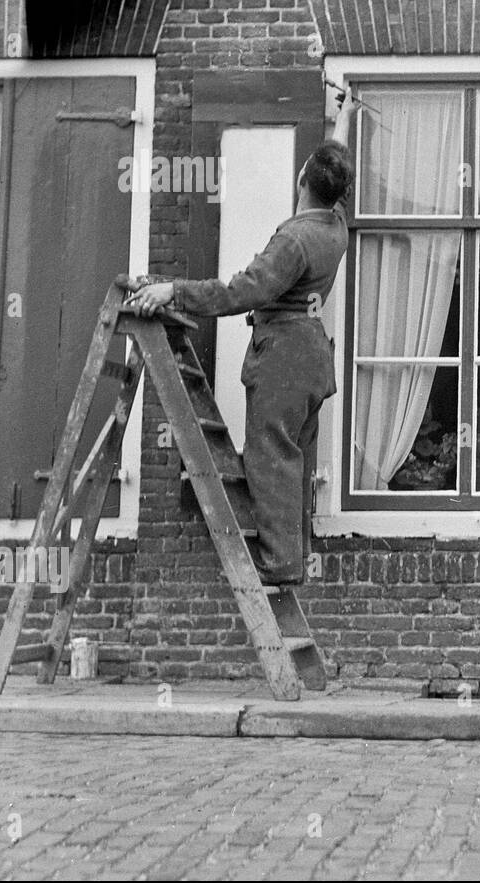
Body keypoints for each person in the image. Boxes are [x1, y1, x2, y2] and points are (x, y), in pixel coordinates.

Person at [126, 142, 354, 586]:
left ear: (301, 179)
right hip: (313, 354)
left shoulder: (294, 241)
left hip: (283, 356)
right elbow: (334, 175)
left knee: (270, 458)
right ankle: (295, 554)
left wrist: (175, 290)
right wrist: (340, 126)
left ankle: (279, 563)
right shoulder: (335, 225)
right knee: (297, 461)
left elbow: (241, 292)